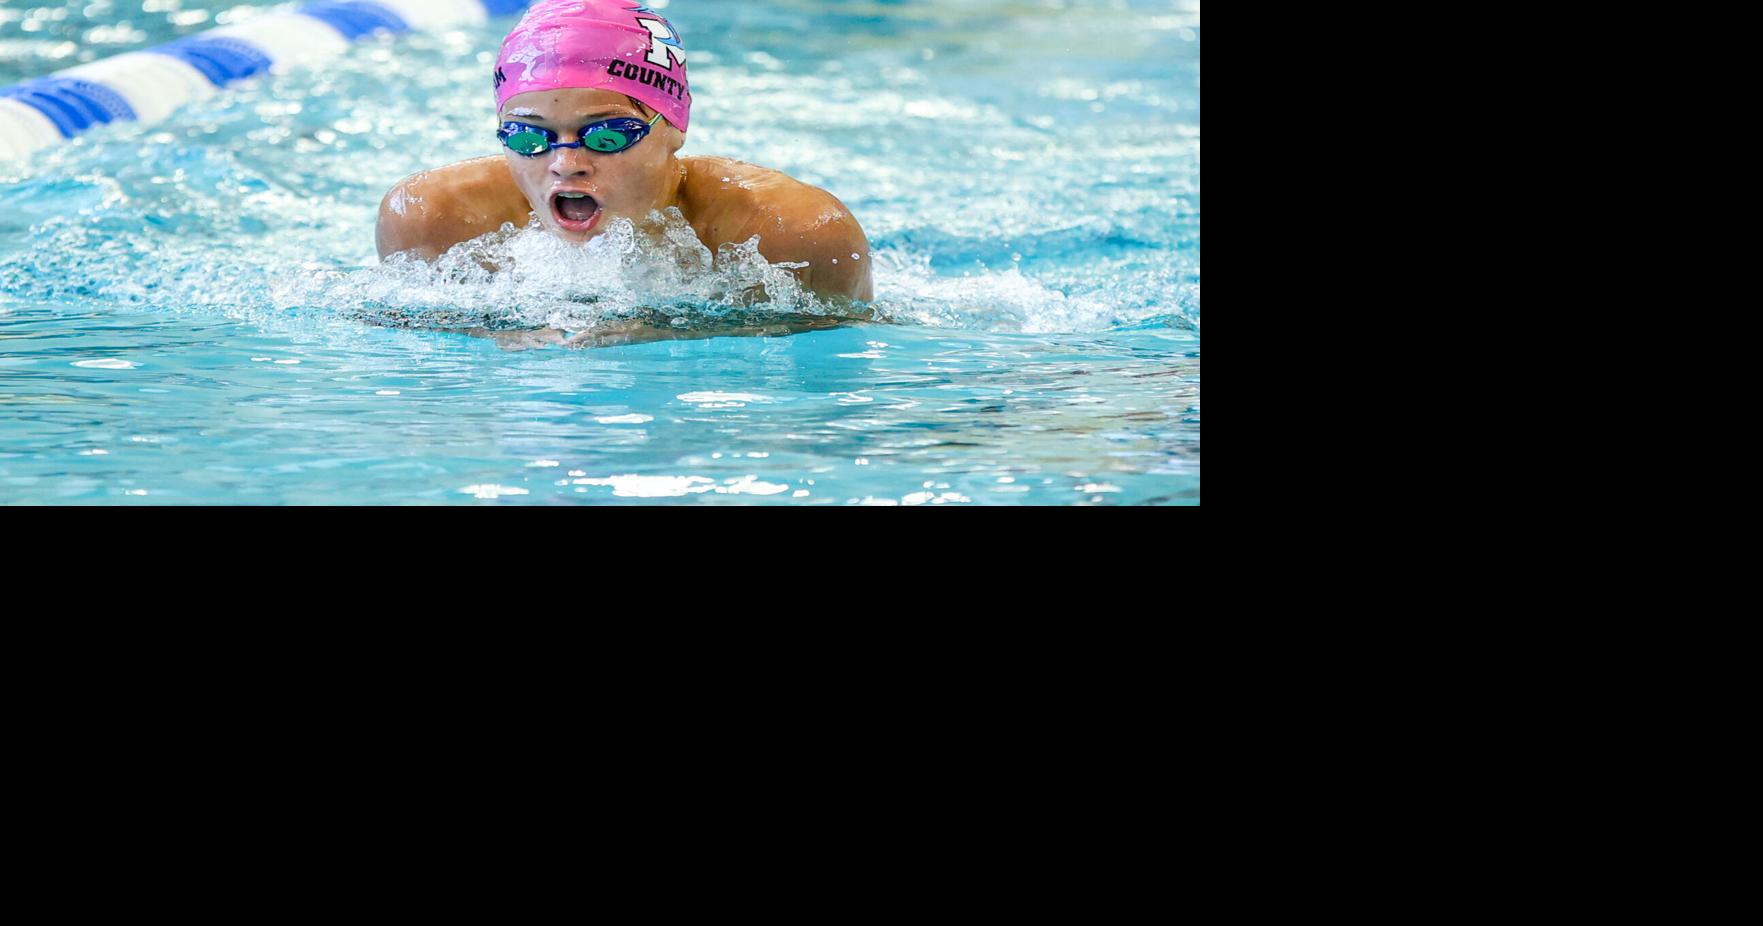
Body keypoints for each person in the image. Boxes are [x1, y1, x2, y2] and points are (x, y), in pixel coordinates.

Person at [375, 0, 874, 312]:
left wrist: (659, 333)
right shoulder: (434, 220)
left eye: (607, 136)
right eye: (529, 138)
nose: (567, 163)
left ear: (674, 126)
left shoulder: (795, 235)